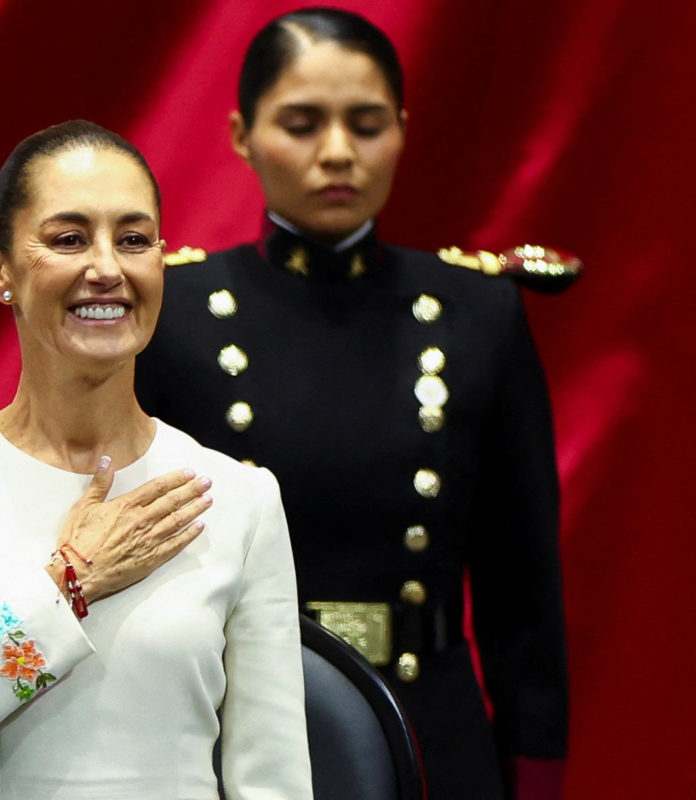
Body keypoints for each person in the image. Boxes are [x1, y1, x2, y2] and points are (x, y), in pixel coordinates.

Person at [136, 8, 569, 800]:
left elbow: (524, 596)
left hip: (434, 732)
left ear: (401, 129)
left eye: (366, 125)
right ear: (241, 135)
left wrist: (532, 778)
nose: (337, 151)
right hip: (235, 730)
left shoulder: (478, 313)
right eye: (301, 125)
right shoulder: (174, 315)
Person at [0, 120, 313, 800]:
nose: (107, 269)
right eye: (69, 239)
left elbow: (272, 781)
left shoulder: (239, 499)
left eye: (133, 240)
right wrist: (69, 583)